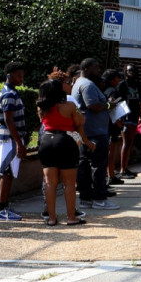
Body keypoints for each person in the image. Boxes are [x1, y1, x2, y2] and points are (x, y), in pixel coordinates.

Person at [36, 77, 89, 225]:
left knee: (50, 183)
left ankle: (51, 218)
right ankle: (71, 217)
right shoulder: (70, 106)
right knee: (69, 183)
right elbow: (81, 120)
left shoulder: (41, 107)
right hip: (65, 141)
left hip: (46, 141)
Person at [72, 58, 113, 210]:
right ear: (87, 69)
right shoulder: (87, 85)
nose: (99, 71)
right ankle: (99, 199)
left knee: (85, 164)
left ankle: (86, 198)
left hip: (86, 131)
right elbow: (93, 106)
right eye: (96, 69)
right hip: (95, 132)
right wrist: (109, 104)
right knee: (98, 165)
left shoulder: (79, 83)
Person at [0, 62, 28, 221]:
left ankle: (3, 206)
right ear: (9, 76)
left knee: (9, 173)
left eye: (22, 76)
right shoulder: (9, 94)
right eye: (18, 76)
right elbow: (9, 120)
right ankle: (1, 209)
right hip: (9, 138)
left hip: (10, 137)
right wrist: (19, 143)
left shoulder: (11, 92)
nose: (21, 79)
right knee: (7, 173)